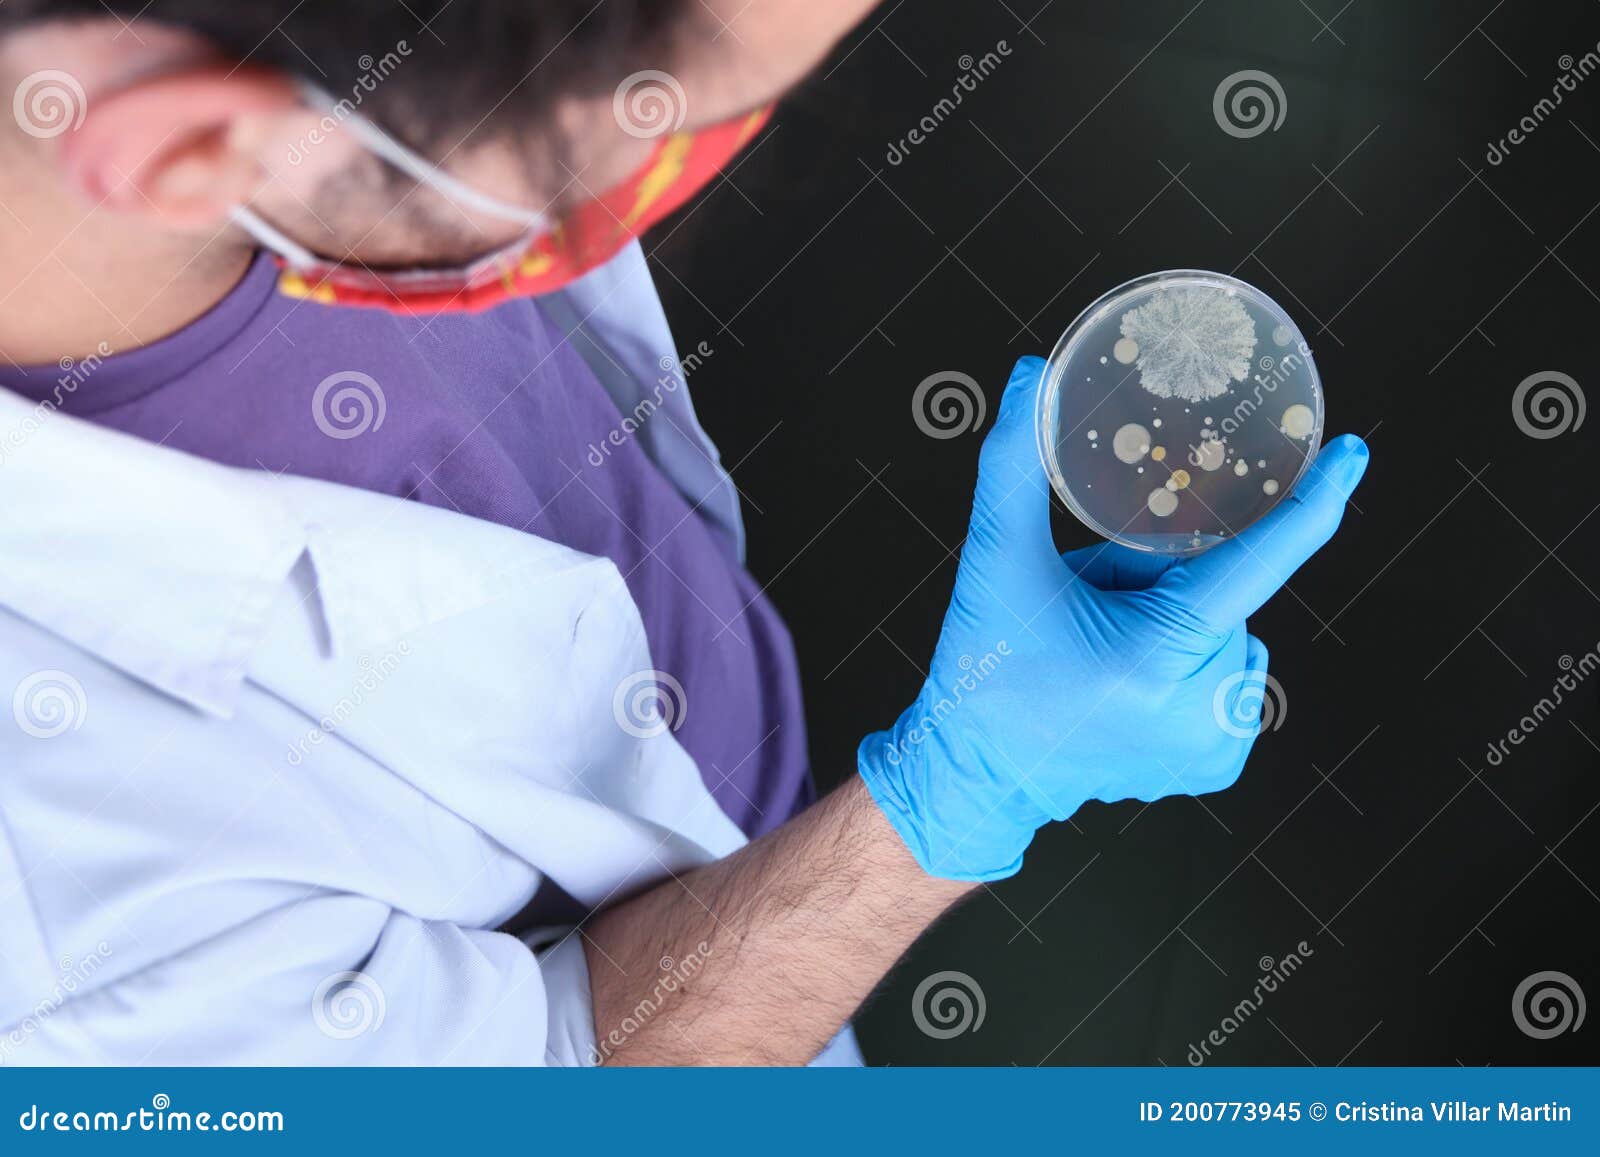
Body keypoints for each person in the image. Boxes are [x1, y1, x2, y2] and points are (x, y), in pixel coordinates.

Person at [0, 1, 1369, 1066]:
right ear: (190, 151)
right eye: (664, 128)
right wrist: (952, 803)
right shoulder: (56, 912)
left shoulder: (325, 137)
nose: (692, 163)